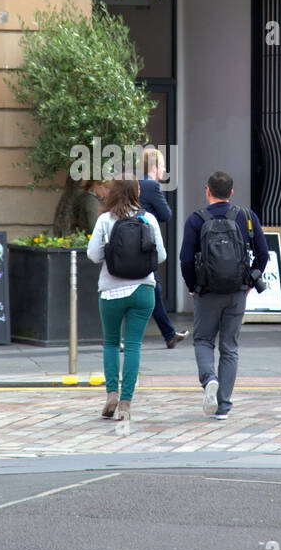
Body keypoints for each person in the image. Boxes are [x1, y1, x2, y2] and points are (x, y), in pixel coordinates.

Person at [179, 171, 268, 421]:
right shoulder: (247, 217)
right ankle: (223, 406)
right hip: (237, 291)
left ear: (207, 191)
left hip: (206, 292)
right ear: (231, 193)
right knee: (230, 347)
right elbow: (263, 255)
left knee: (204, 340)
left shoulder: (196, 220)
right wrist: (250, 282)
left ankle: (209, 379)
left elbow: (185, 259)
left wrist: (193, 286)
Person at [86, 177, 166, 421]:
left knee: (111, 343)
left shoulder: (105, 219)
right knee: (133, 346)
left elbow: (93, 255)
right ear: (137, 192)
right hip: (143, 290)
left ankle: (111, 393)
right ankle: (126, 403)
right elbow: (161, 256)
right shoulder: (148, 219)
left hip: (111, 290)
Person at [138, 146, 187, 349]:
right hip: (144, 245)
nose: (164, 171)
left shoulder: (133, 182)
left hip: (127, 245)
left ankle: (169, 335)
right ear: (155, 166)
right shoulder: (152, 186)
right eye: (163, 166)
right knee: (153, 289)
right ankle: (168, 335)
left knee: (152, 289)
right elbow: (166, 215)